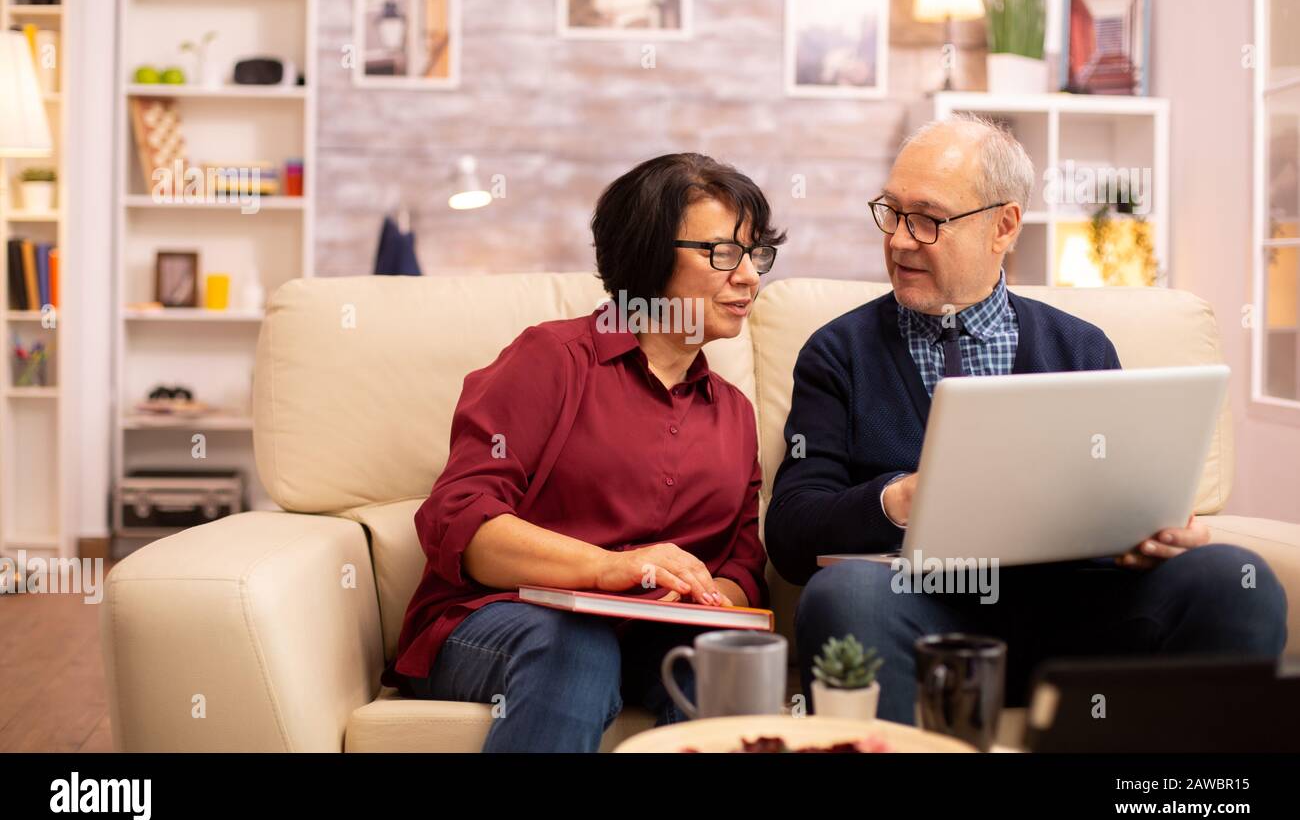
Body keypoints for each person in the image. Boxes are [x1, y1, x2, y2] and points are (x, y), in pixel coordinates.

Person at [765, 113, 1288, 724]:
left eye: (928, 219)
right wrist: (899, 499)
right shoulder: (838, 353)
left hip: (1079, 611)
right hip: (925, 613)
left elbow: (1120, 504)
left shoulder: (1081, 349)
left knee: (1233, 576)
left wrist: (1154, 536)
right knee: (843, 595)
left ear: (1003, 225)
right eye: (891, 212)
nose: (900, 239)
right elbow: (792, 534)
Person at [382, 152, 786, 751]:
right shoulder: (551, 360)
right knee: (577, 642)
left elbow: (741, 570)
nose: (749, 275)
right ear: (650, 255)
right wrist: (609, 568)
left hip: (651, 635)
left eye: (755, 254)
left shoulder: (732, 412)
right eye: (722, 253)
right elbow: (459, 517)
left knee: (723, 660)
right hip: (500, 621)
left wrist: (703, 596)